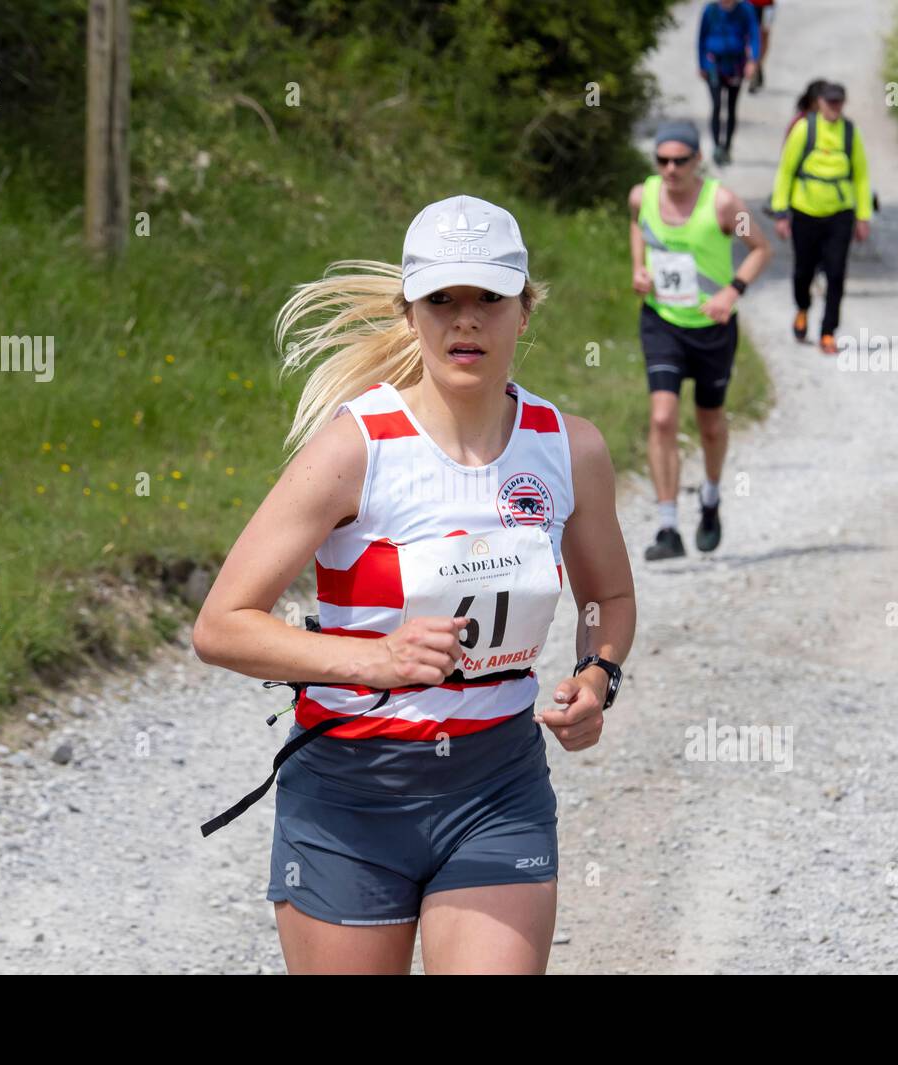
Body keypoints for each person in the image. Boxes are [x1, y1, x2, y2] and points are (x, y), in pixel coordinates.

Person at [192, 194, 637, 974]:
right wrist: (374, 660)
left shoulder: (570, 447)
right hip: (350, 796)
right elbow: (222, 624)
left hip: (496, 787)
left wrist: (598, 673)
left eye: (488, 300)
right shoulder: (355, 447)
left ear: (524, 312)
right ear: (410, 314)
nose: (465, 321)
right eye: (442, 300)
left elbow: (611, 598)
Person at [630, 120, 773, 561]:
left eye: (680, 161)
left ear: (698, 161)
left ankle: (710, 499)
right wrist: (639, 267)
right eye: (663, 161)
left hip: (712, 330)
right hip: (663, 320)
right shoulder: (642, 195)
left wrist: (732, 292)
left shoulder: (725, 203)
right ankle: (668, 526)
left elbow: (762, 249)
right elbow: (637, 225)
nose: (670, 170)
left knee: (710, 423)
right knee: (661, 417)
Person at [770, 81, 872, 355]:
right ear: (820, 103)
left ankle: (828, 332)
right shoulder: (804, 129)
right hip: (805, 212)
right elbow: (786, 171)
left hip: (840, 214)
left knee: (837, 274)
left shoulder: (851, 132)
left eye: (839, 102)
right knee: (803, 271)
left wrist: (863, 217)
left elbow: (861, 177)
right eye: (830, 102)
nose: (834, 107)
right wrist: (781, 211)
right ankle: (802, 308)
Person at [697, 0, 761, 165]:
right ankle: (717, 146)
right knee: (717, 105)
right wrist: (701, 64)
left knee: (732, 107)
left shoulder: (745, 9)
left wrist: (753, 61)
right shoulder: (710, 10)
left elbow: (754, 34)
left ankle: (727, 147)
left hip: (736, 65)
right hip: (714, 65)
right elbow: (701, 38)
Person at [747, 0, 776, 93]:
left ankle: (758, 65)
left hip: (768, 5)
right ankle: (754, 71)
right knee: (750, 37)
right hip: (750, 4)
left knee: (764, 38)